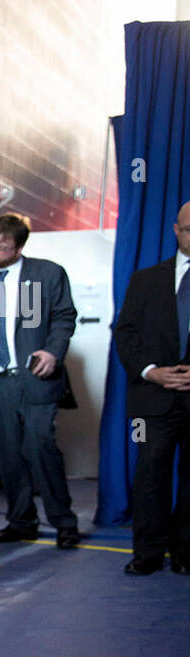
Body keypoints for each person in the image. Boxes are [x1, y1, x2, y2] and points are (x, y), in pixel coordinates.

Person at [0, 213, 80, 548]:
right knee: (7, 454)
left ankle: (64, 522)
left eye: (2, 247)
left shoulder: (48, 273)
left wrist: (53, 352)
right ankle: (21, 521)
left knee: (40, 446)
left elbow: (63, 317)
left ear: (19, 248)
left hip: (36, 377)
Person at [112, 200, 190, 574]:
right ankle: (148, 554)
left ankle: (186, 553)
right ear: (176, 231)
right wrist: (150, 371)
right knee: (150, 475)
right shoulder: (145, 280)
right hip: (152, 399)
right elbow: (125, 333)